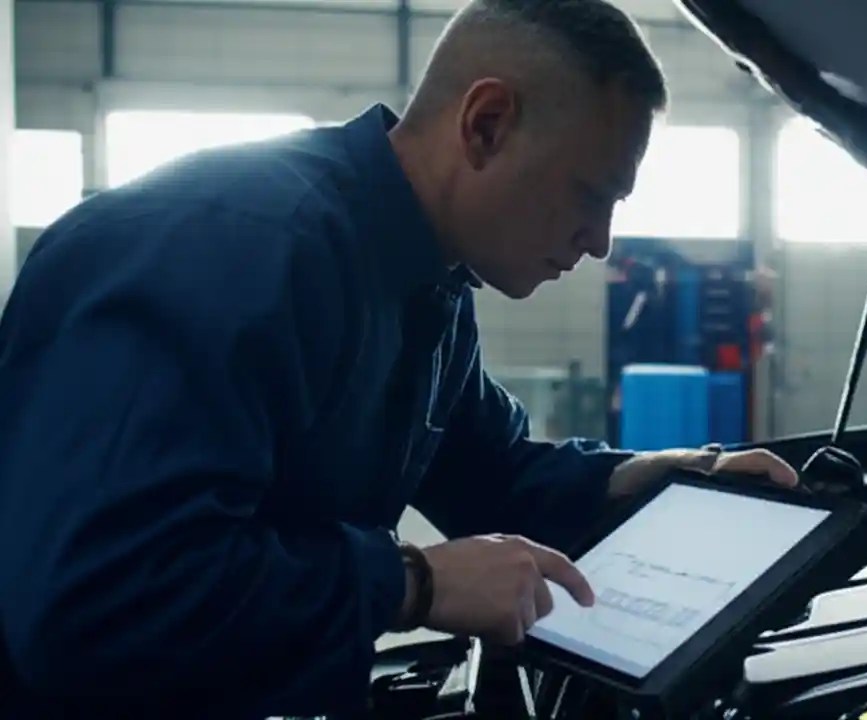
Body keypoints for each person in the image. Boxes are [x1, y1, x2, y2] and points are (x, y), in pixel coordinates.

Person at [0, 0, 799, 716]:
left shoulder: (428, 280)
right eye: (592, 195)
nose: (601, 244)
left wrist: (646, 478)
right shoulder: (229, 253)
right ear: (486, 124)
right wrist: (415, 582)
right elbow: (97, 603)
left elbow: (493, 476)